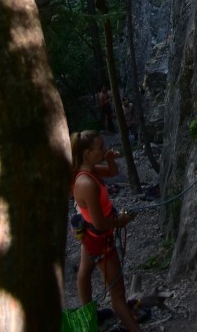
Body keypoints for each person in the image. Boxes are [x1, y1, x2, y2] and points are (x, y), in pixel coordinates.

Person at [70, 130, 140, 332]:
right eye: (100, 148)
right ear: (86, 153)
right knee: (117, 296)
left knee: (85, 271)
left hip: (91, 237)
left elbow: (112, 172)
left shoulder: (89, 170)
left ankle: (88, 318)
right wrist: (121, 221)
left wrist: (109, 159)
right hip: (99, 238)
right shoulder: (86, 182)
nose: (104, 149)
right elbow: (100, 223)